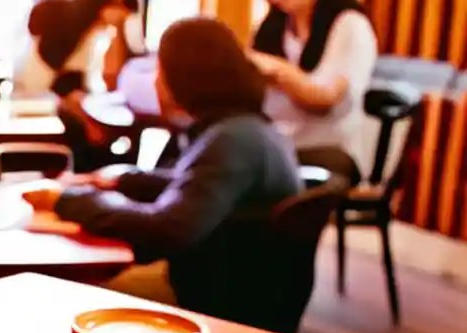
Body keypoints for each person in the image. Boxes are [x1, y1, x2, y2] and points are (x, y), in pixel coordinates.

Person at [22, 17, 301, 315]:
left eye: (160, 69)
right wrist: (120, 181)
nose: (155, 80)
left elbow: (165, 229)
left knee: (57, 292)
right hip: (235, 284)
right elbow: (195, 183)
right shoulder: (245, 129)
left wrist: (65, 200)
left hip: (209, 300)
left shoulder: (230, 140)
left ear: (185, 77)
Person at [249, 0, 377, 184]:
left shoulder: (350, 26)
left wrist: (277, 71)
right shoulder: (273, 27)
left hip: (329, 148)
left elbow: (325, 99)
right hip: (276, 141)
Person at [16, 0, 145, 170]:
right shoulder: (64, 27)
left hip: (81, 107)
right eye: (112, 1)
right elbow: (47, 86)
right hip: (42, 109)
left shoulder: (104, 36)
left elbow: (113, 79)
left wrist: (119, 30)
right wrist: (86, 119)